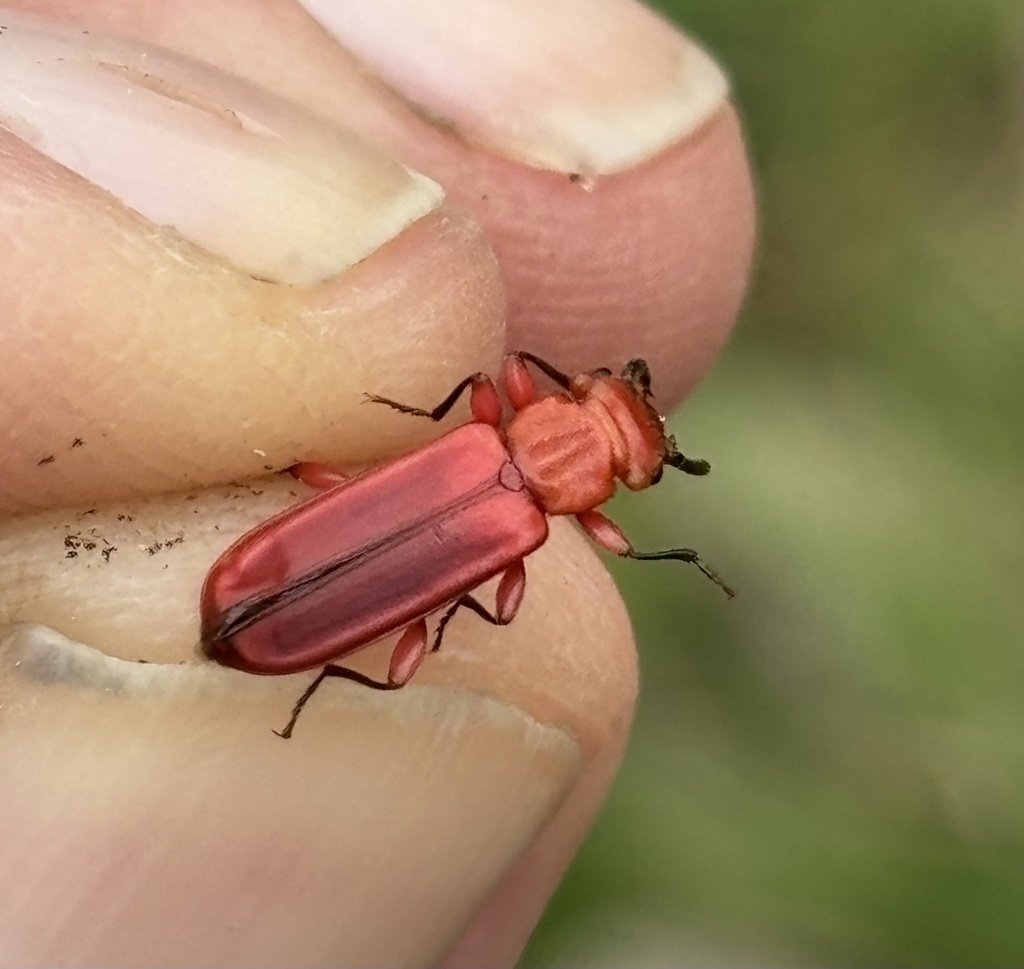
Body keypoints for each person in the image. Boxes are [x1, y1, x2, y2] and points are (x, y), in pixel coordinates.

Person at [0, 1, 754, 964]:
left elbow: (490, 388)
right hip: (272, 607)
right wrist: (441, 609)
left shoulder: (486, 444)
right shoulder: (518, 527)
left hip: (268, 600)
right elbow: (507, 578)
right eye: (612, 413)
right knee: (460, 643)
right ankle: (330, 682)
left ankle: (329, 672)